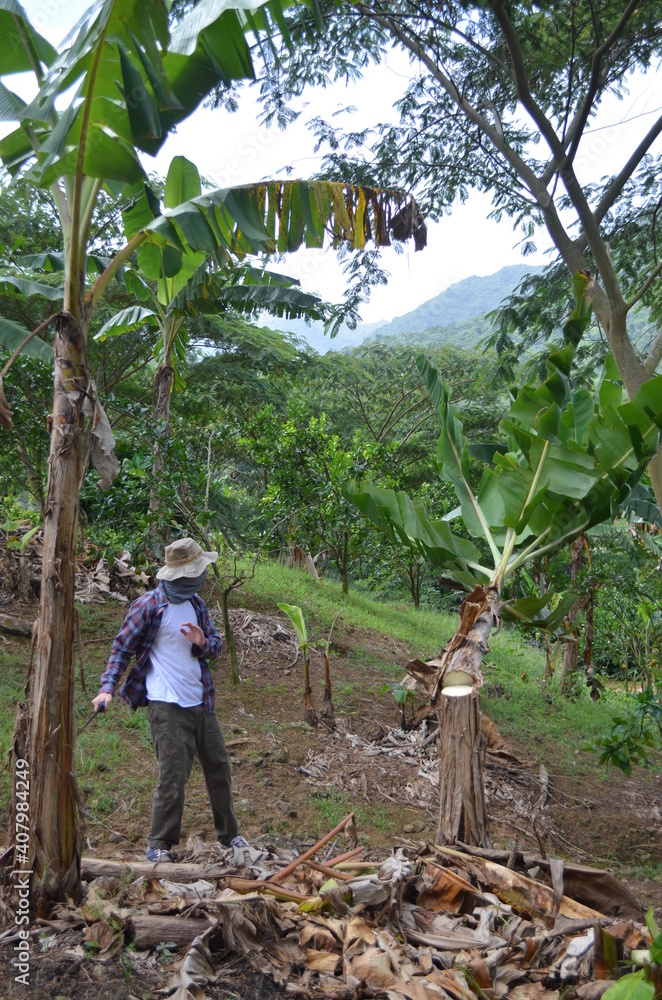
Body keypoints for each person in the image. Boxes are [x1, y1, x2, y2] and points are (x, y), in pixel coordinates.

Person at [93, 537, 249, 862]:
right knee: (173, 774)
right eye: (196, 571)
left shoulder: (197, 605)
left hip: (201, 704)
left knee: (219, 767)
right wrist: (107, 687)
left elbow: (217, 645)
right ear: (180, 574)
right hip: (166, 706)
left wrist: (203, 641)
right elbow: (121, 648)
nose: (201, 576)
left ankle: (230, 836)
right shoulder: (149, 606)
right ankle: (158, 846)